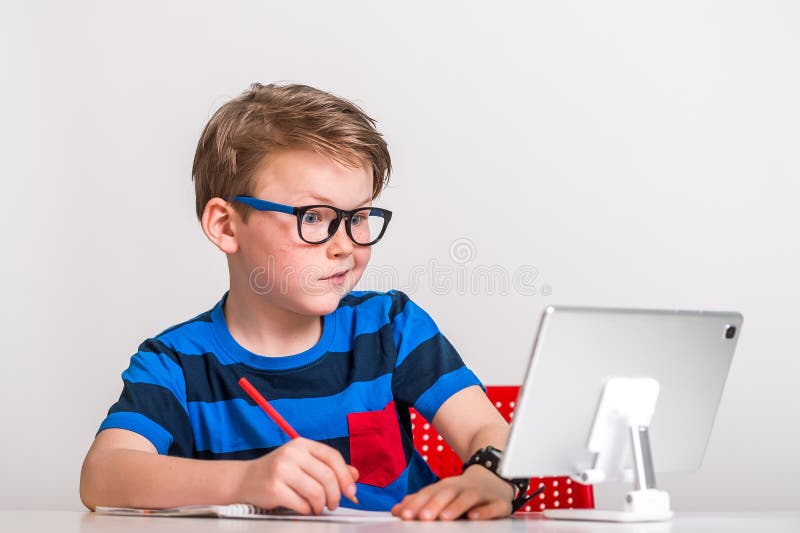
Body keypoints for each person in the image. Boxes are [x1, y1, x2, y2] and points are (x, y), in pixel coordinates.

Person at [80, 83, 527, 521]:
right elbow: (102, 475)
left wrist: (491, 478)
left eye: (359, 217)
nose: (345, 246)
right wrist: (244, 481)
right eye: (313, 217)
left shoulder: (390, 327)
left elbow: (488, 430)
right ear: (226, 226)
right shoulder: (176, 363)